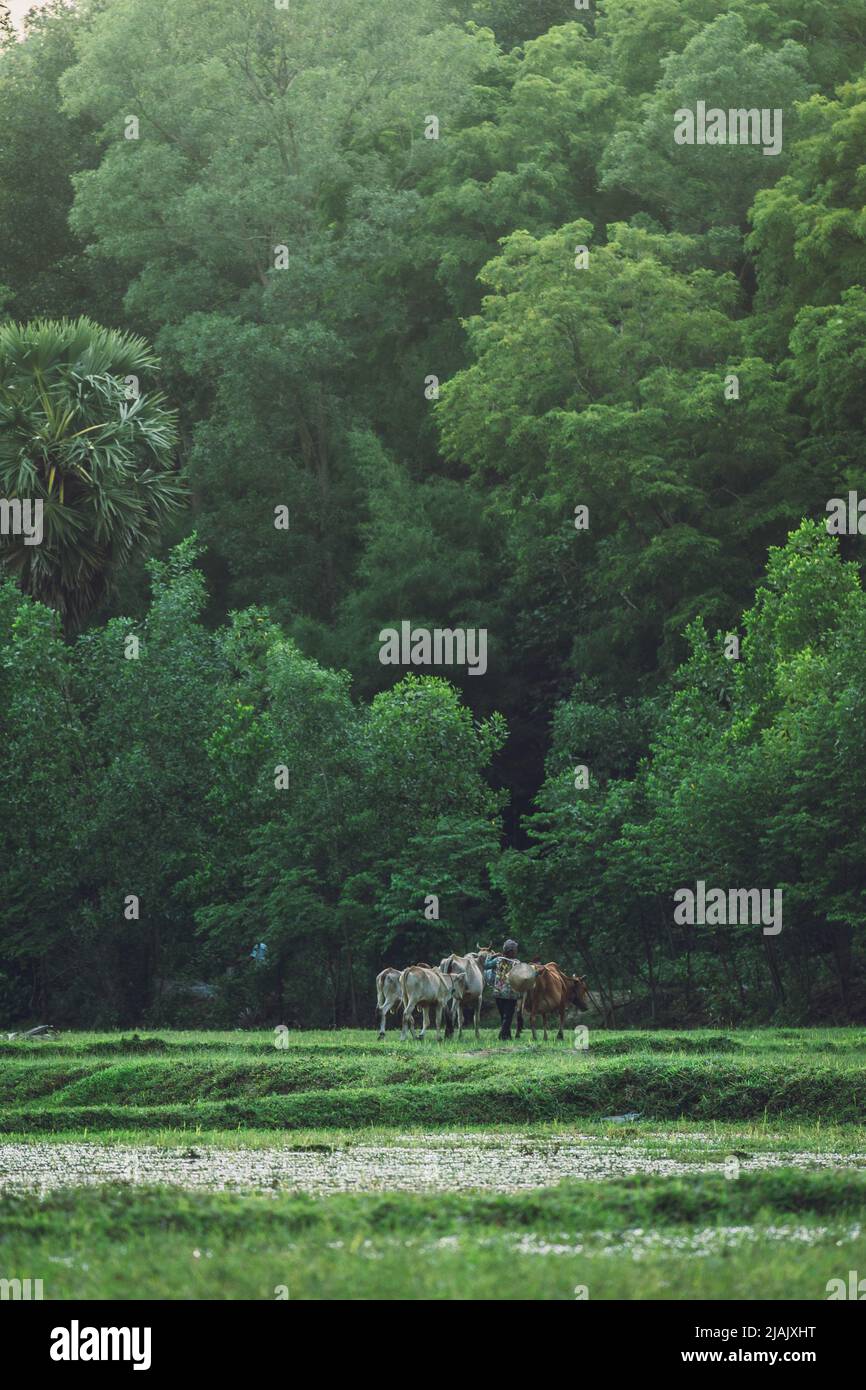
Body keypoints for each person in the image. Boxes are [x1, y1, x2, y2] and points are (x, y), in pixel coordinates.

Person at [484, 939, 521, 1040]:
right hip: (511, 994)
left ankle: (506, 1035)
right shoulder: (517, 963)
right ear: (511, 951)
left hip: (498, 992)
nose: (516, 951)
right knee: (507, 1016)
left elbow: (486, 965)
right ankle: (503, 1035)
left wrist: (491, 956)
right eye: (515, 950)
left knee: (503, 1016)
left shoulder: (498, 960)